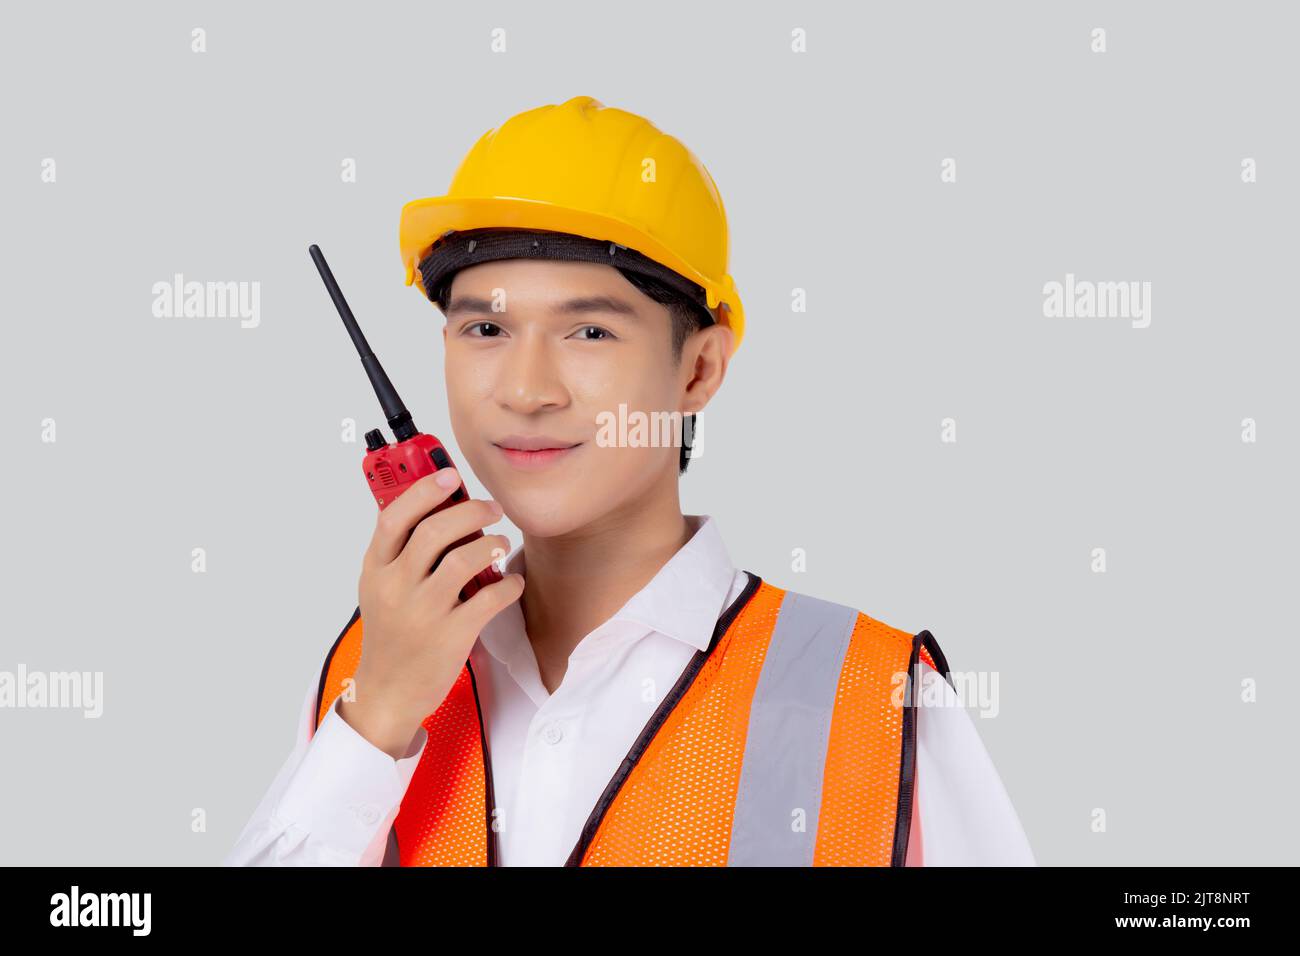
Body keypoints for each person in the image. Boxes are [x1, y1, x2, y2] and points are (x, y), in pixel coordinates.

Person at [225, 95, 1034, 867]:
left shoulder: (874, 694)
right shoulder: (370, 677)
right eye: (485, 328)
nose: (526, 390)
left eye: (590, 329)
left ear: (700, 368)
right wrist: (379, 720)